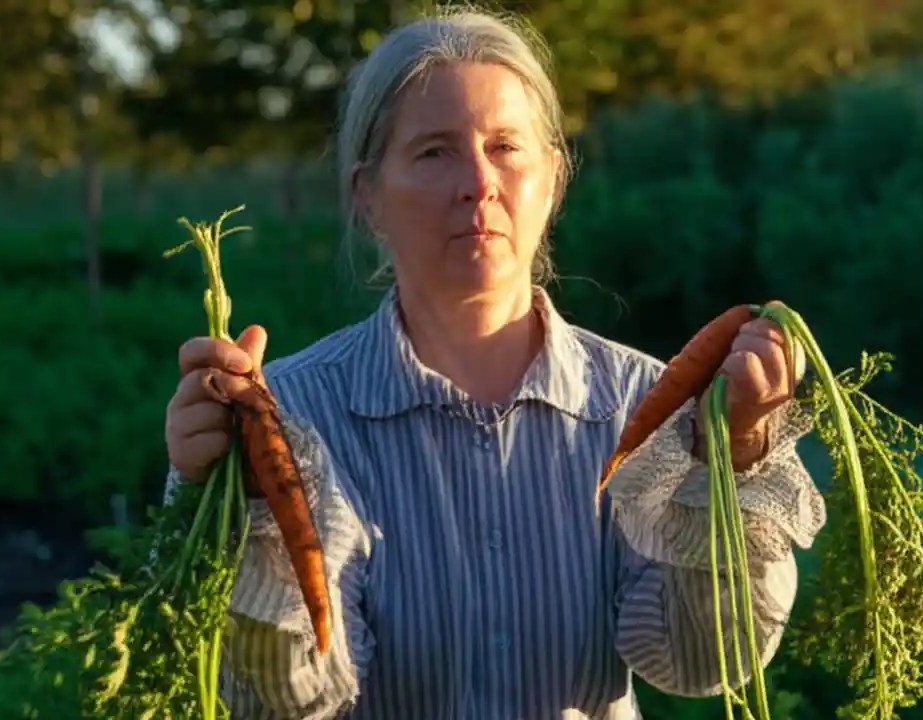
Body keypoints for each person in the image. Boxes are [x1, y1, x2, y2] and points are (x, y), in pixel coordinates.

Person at [163, 7, 825, 719]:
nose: (478, 183)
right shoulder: (287, 419)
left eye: (505, 146)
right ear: (368, 195)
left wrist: (737, 454)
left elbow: (700, 662)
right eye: (434, 152)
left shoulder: (647, 406)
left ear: (553, 175)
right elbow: (280, 703)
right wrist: (240, 504)